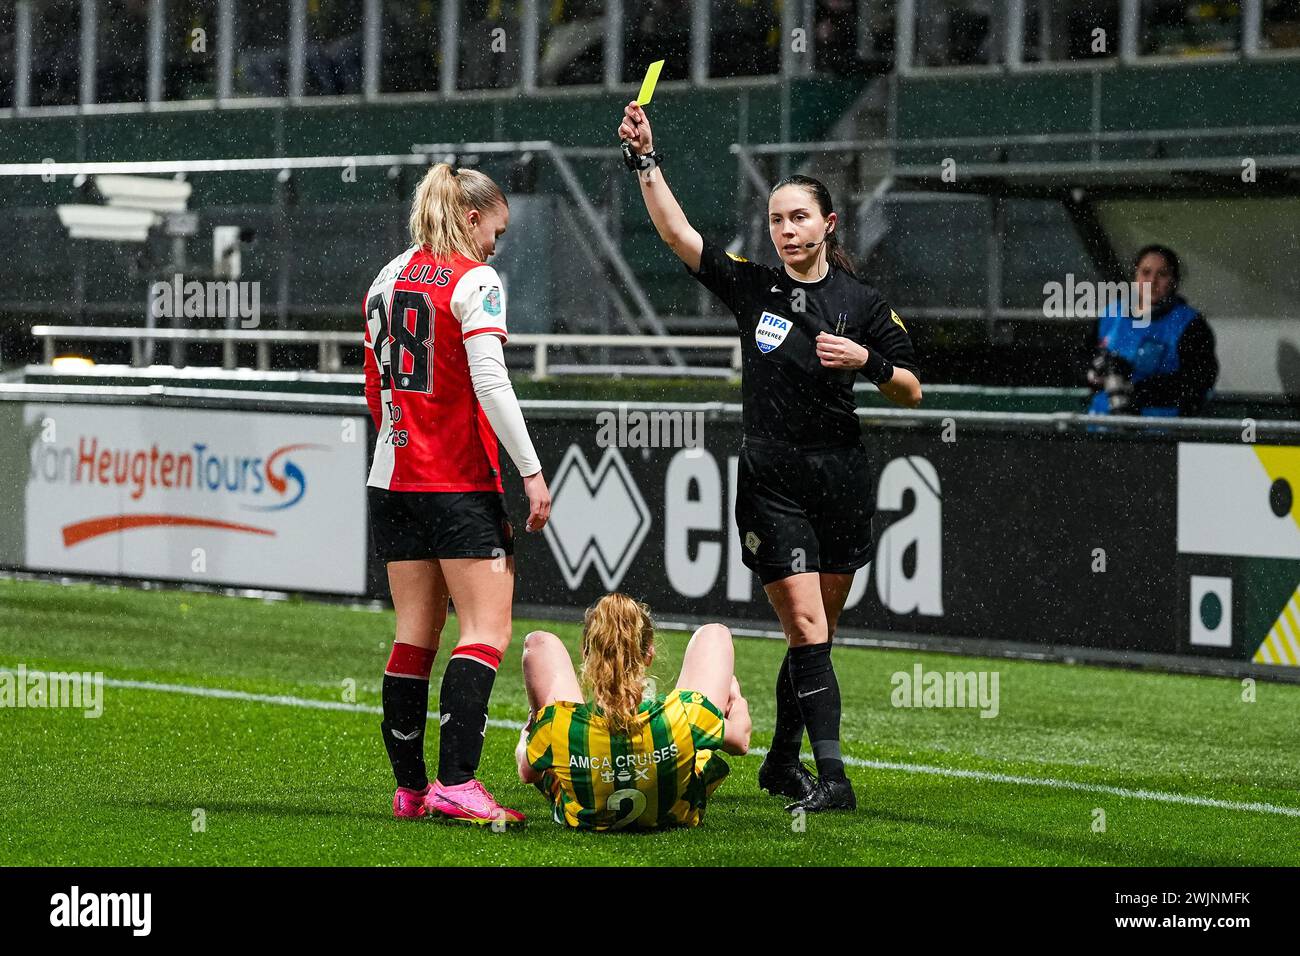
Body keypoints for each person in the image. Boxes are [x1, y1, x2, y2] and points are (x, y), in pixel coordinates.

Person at [617, 101, 922, 813]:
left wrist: (867, 358)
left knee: (819, 633)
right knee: (808, 627)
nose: (786, 231)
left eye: (799, 219)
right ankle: (835, 778)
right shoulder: (754, 286)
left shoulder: (863, 300)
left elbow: (910, 388)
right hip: (771, 476)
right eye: (778, 220)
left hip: (840, 472)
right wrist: (644, 160)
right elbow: (678, 233)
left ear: (828, 225)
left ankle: (782, 759)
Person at [364, 162, 552, 825]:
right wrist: (529, 469)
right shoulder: (475, 281)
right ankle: (456, 781)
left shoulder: (386, 278)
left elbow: (375, 387)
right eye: (495, 231)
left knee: (414, 633)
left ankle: (412, 789)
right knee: (485, 630)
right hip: (456, 480)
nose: (497, 245)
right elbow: (492, 382)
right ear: (471, 218)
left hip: (392, 478)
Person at [516, 593, 752, 830]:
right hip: (672, 813)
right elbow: (740, 742)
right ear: (649, 653)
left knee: (539, 642)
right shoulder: (686, 711)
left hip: (587, 816)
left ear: (587, 653)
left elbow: (528, 773)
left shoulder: (557, 722)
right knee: (715, 634)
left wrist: (529, 731)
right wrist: (738, 700)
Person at [1086, 244, 1218, 417]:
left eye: (1162, 274)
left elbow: (1199, 381)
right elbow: (1082, 356)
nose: (1152, 281)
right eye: (1145, 273)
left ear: (1174, 281)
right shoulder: (1111, 315)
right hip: (1103, 423)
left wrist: (1137, 388)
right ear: (1135, 277)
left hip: (1160, 429)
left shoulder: (1190, 324)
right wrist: (1094, 372)